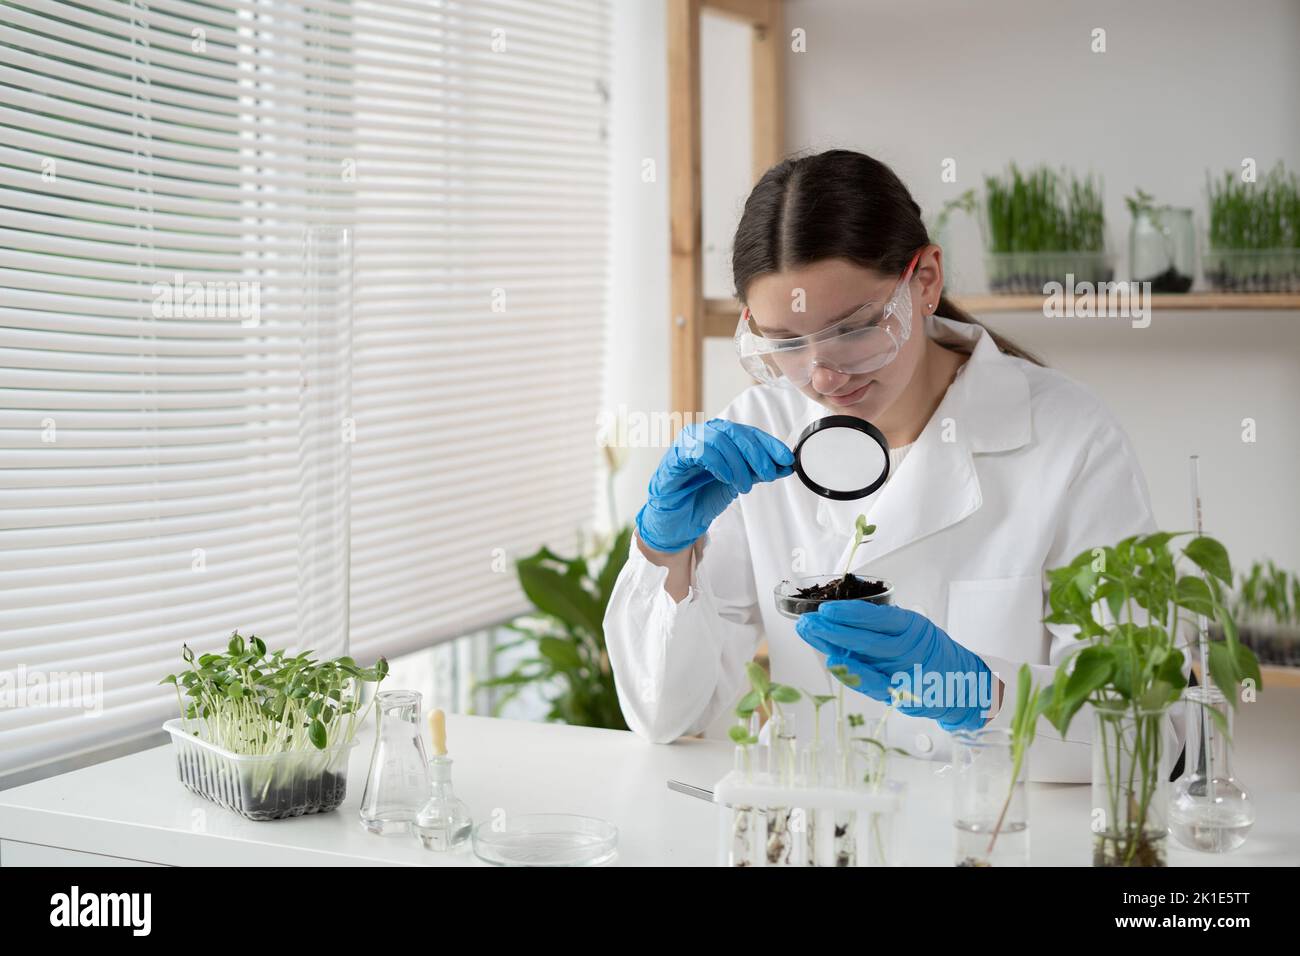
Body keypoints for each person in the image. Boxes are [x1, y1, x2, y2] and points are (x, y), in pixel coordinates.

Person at [604, 149, 1164, 782]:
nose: (821, 375)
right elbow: (668, 716)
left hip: (989, 835)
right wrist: (664, 551)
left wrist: (983, 693)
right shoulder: (757, 427)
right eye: (786, 342)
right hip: (819, 833)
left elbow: (1149, 733)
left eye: (853, 329)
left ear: (924, 280)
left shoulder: (1070, 437)